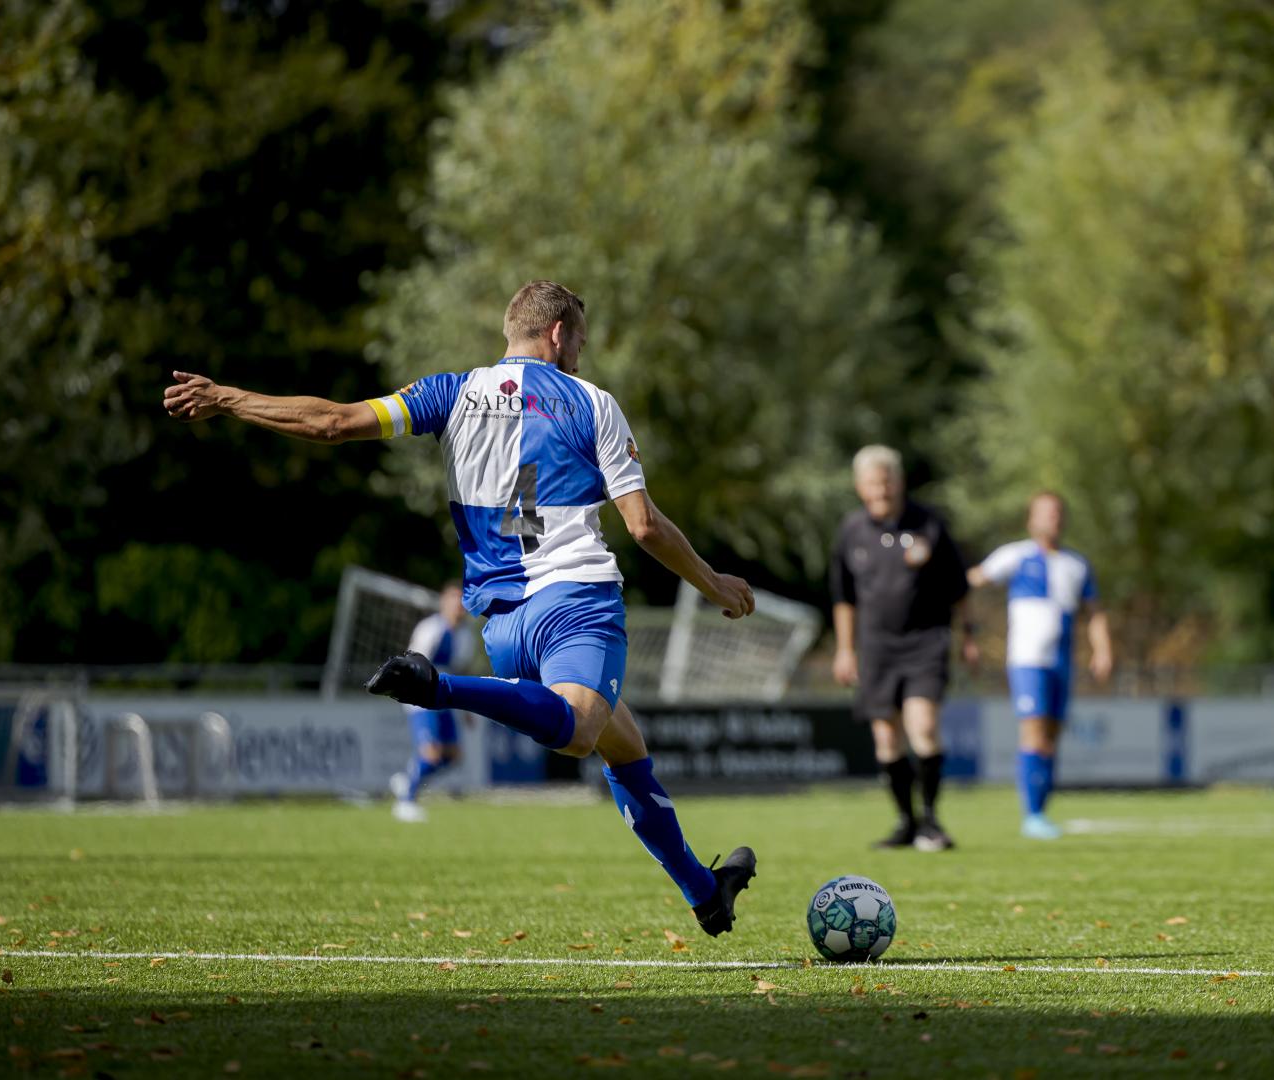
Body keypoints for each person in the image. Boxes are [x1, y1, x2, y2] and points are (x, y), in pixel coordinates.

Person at [162, 280, 760, 936]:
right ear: (558, 333)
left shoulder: (449, 393)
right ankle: (439, 687)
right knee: (581, 732)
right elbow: (643, 526)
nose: (580, 356)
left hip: (504, 626)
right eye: (580, 342)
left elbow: (332, 422)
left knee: (623, 745)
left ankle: (707, 894)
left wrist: (226, 398)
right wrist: (714, 584)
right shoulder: (592, 403)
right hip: (575, 600)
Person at [830, 445, 972, 851]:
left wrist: (970, 637)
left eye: (887, 481)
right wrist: (845, 649)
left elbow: (959, 588)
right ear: (860, 487)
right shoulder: (851, 531)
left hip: (926, 642)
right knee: (887, 739)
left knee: (923, 727)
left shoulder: (929, 524)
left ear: (900, 481)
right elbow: (843, 598)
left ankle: (930, 820)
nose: (881, 490)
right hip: (876, 648)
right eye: (873, 483)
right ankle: (906, 823)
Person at [968, 491, 1112, 840]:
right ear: (1031, 519)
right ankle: (1032, 815)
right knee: (1033, 732)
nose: (1053, 518)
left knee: (1051, 736)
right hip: (1028, 659)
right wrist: (966, 629)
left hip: (1062, 660)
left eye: (1058, 512)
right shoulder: (1015, 556)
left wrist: (1103, 650)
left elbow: (1094, 612)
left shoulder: (1076, 564)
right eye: (1045, 512)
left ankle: (1042, 811)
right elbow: (971, 580)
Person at [387, 582, 475, 823]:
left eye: (462, 601)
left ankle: (408, 780)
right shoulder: (430, 628)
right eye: (454, 600)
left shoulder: (465, 636)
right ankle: (406, 802)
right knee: (431, 753)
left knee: (454, 755)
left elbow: (462, 671)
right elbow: (412, 662)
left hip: (444, 697)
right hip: (420, 696)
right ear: (444, 603)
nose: (459, 606)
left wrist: (467, 708)